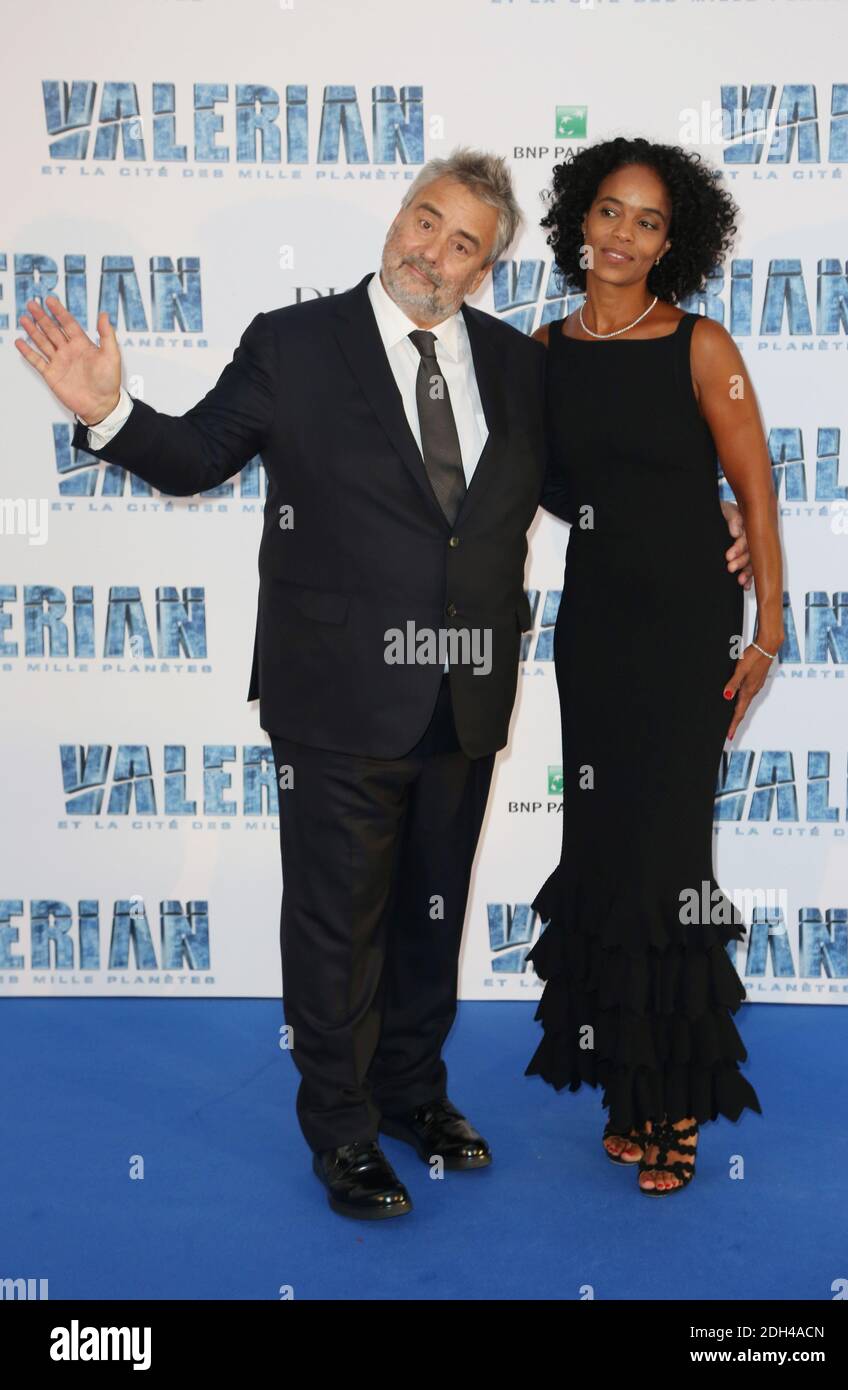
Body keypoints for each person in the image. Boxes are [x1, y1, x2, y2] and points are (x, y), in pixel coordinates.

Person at [16, 147, 750, 1221]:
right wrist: (113, 411)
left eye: (464, 244)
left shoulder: (514, 364)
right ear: (396, 218)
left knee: (428, 917)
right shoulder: (294, 342)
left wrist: (705, 514)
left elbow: (590, 477)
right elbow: (196, 454)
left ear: (485, 268)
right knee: (335, 924)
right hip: (335, 698)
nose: (434, 252)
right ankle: (343, 1129)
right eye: (425, 221)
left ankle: (413, 1093)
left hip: (463, 695)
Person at [525, 136, 783, 1196]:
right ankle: (623, 1085)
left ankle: (671, 1101)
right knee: (602, 851)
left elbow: (754, 490)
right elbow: (541, 486)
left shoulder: (698, 342)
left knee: (668, 860)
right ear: (577, 221)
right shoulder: (540, 349)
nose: (623, 235)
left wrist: (765, 628)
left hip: (685, 631)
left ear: (673, 242)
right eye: (608, 213)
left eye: (647, 222)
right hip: (590, 634)